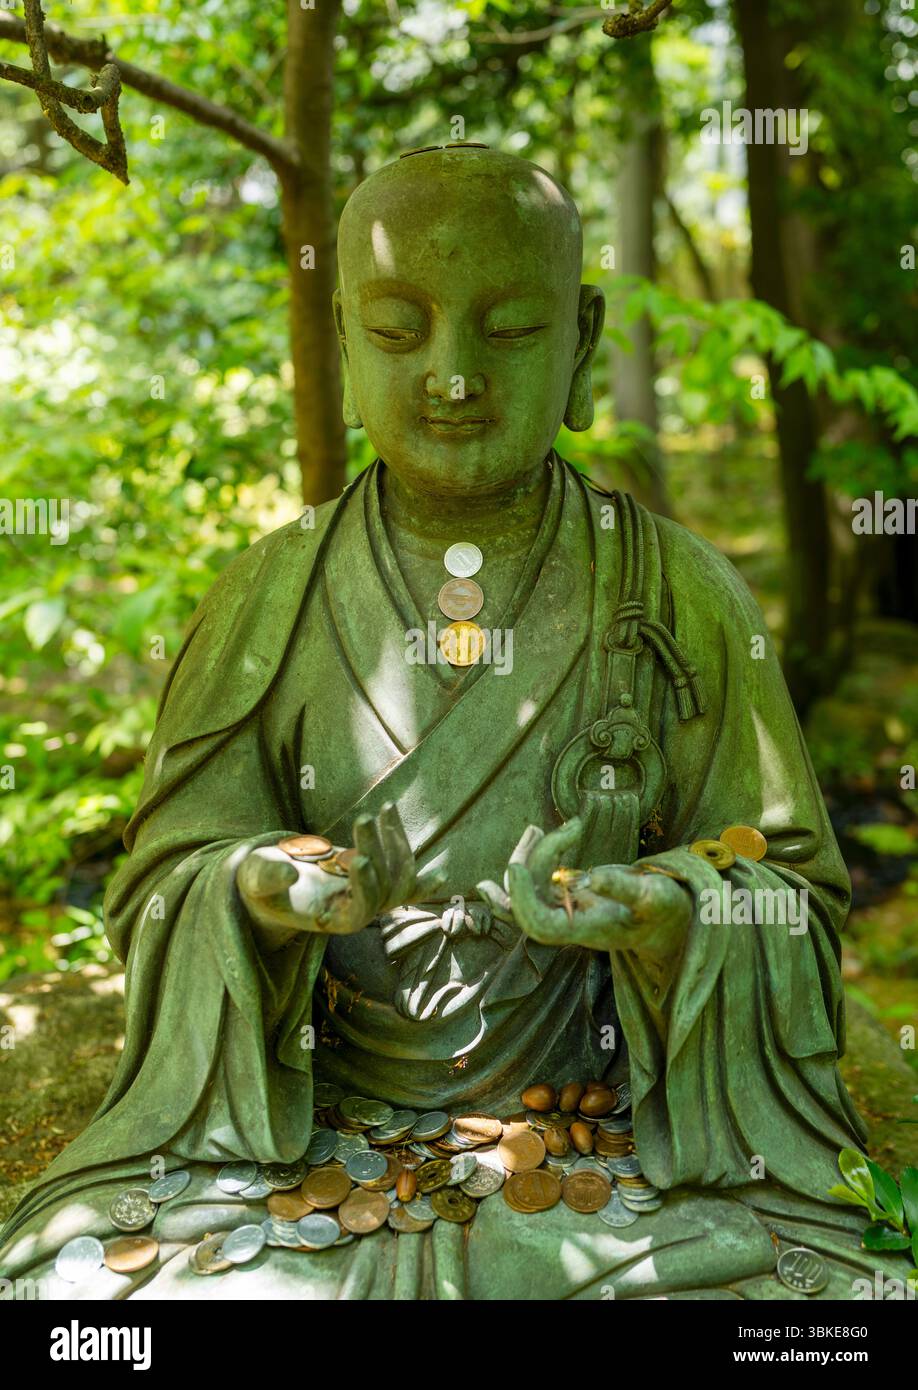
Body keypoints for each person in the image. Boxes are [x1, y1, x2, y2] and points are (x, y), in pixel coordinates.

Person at [0, 146, 895, 1300]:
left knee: (829, 1301)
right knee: (64, 1290)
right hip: (315, 1146)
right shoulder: (266, 596)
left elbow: (795, 899)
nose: (453, 374)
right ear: (339, 339)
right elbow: (163, 882)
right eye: (397, 328)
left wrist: (669, 908)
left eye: (511, 328)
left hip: (608, 1150)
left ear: (580, 340)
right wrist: (259, 890)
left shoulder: (681, 598)